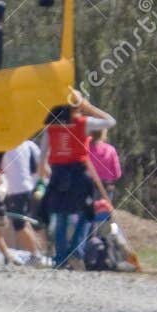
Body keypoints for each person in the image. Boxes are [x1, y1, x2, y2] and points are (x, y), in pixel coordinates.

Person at [42, 95, 113, 267]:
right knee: (87, 213)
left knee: (61, 216)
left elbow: (42, 157)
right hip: (79, 174)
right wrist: (89, 108)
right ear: (76, 107)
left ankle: (60, 258)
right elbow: (110, 122)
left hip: (58, 174)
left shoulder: (51, 127)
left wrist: (45, 172)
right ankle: (76, 251)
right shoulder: (83, 123)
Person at [0, 135, 46, 259]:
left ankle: (36, 255)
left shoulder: (2, 144)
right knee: (25, 223)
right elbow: (39, 168)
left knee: (19, 225)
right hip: (28, 188)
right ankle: (39, 253)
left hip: (15, 189)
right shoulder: (27, 144)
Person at [87, 117, 122, 201]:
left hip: (90, 185)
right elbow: (117, 173)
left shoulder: (86, 149)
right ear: (104, 134)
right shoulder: (111, 149)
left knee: (90, 210)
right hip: (107, 185)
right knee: (104, 210)